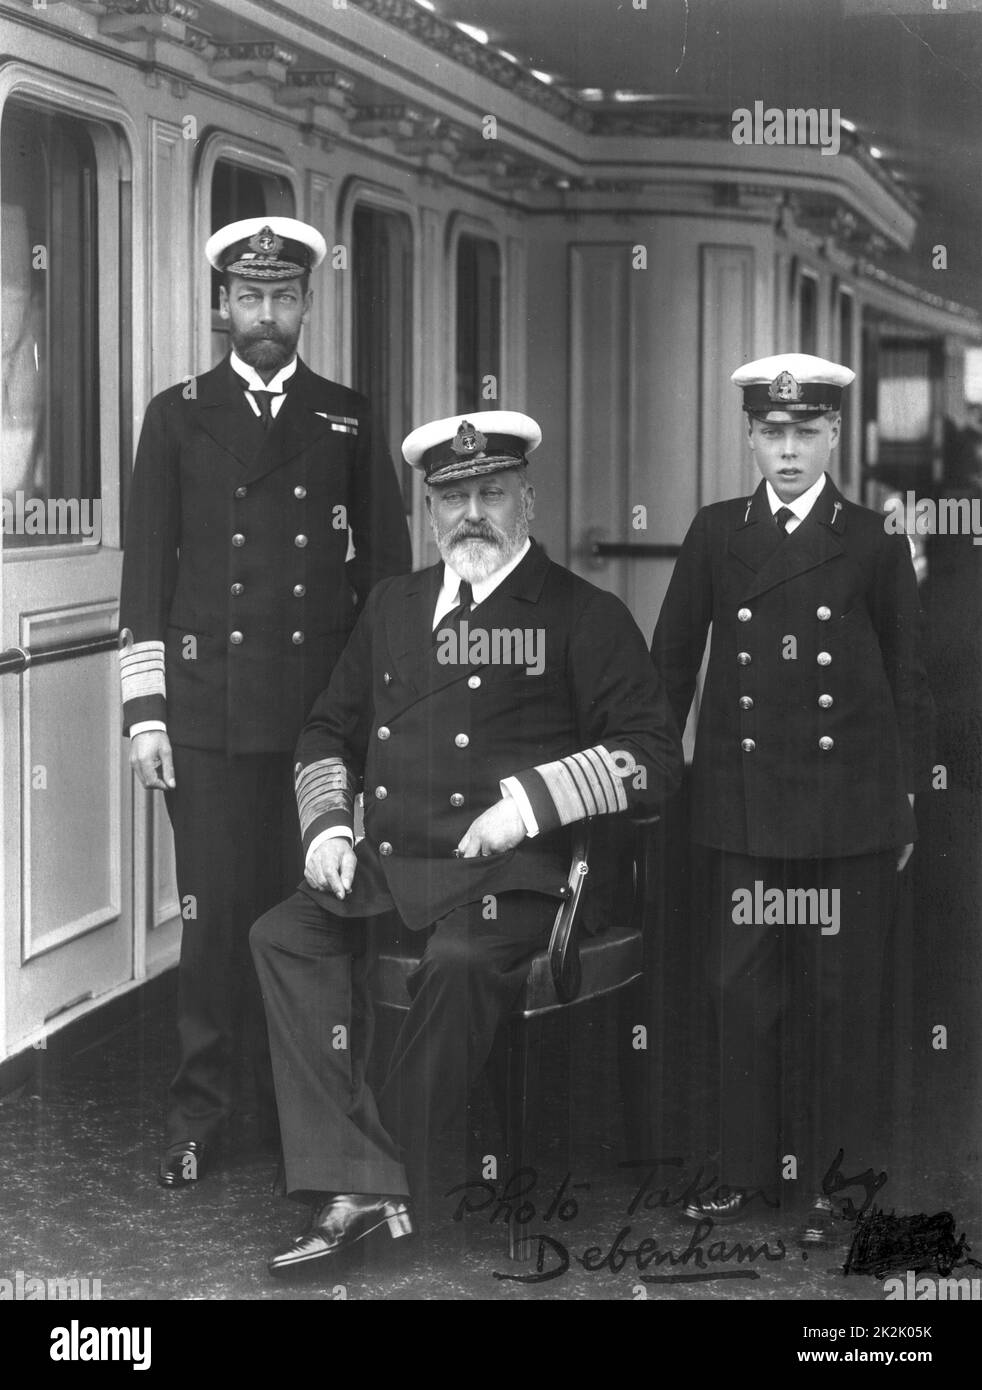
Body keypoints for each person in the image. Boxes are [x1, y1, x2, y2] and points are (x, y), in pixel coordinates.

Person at [250, 409, 683, 1272]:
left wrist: (526, 805)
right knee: (283, 935)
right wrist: (330, 825)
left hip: (519, 872)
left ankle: (368, 1183)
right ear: (430, 509)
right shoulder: (394, 605)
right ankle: (363, 1177)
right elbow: (327, 729)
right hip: (395, 863)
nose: (472, 514)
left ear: (528, 498)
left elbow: (654, 758)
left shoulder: (579, 614)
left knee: (456, 962)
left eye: (491, 492)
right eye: (454, 498)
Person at [118, 216, 412, 1187]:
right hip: (204, 722)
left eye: (284, 297)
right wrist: (146, 715)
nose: (266, 315)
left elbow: (389, 587)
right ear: (221, 305)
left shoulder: (350, 419)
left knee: (316, 923)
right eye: (249, 297)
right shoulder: (176, 415)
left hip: (315, 729)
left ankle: (310, 1120)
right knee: (212, 926)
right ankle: (202, 1115)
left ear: (306, 305)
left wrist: (379, 724)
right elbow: (144, 578)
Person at [650, 353, 934, 1245]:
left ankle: (839, 1183)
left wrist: (907, 800)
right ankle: (741, 1173)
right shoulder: (714, 532)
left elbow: (908, 678)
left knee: (843, 999)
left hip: (847, 810)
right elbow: (671, 667)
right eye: (771, 432)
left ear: (834, 434)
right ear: (748, 434)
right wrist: (657, 780)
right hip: (740, 807)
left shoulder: (873, 538)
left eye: (805, 432)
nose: (787, 450)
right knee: (741, 993)